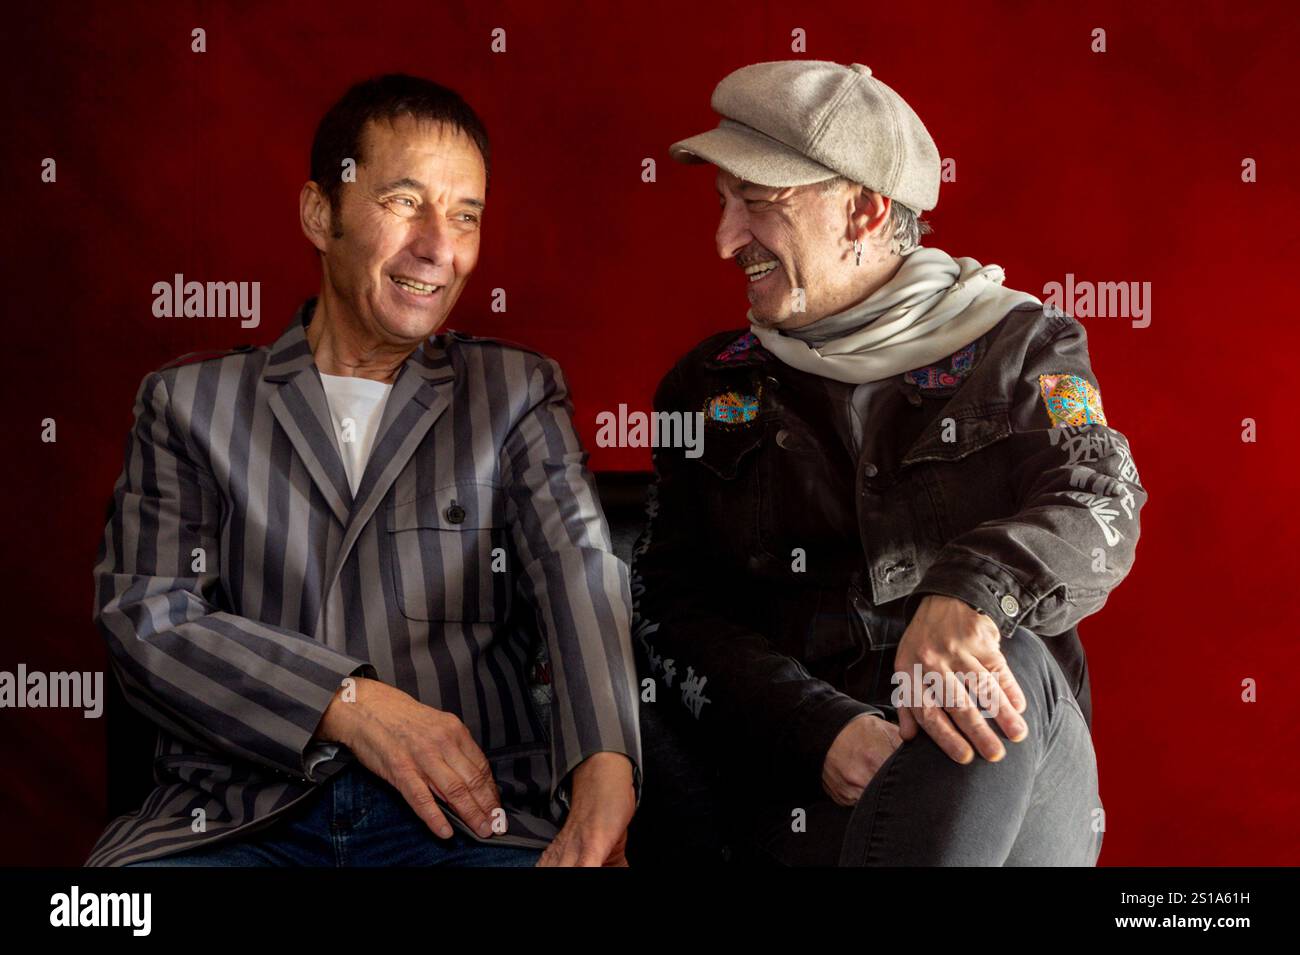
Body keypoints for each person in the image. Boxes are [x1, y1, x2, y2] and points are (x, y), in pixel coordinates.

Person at [88, 74, 641, 868]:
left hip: (466, 821)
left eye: (465, 216)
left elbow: (579, 570)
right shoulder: (188, 404)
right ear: (322, 213)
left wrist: (603, 776)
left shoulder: (515, 393)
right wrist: (347, 704)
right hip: (238, 820)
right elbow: (148, 616)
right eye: (404, 202)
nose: (438, 248)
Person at [631, 60, 1146, 865]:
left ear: (864, 210)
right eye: (724, 202)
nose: (725, 238)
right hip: (810, 803)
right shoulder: (704, 387)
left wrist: (971, 591)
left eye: (758, 205)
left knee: (983, 671)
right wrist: (817, 726)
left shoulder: (1025, 347)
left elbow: (1102, 500)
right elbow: (666, 610)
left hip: (1016, 791)